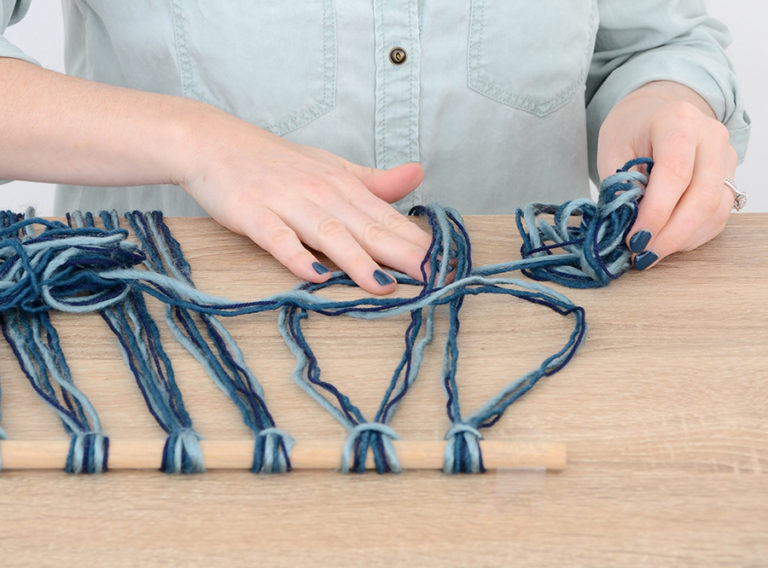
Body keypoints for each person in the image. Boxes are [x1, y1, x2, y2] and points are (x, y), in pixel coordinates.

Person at [0, 1, 751, 294]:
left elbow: (657, 45)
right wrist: (197, 142)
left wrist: (664, 103)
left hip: (534, 327)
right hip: (163, 336)